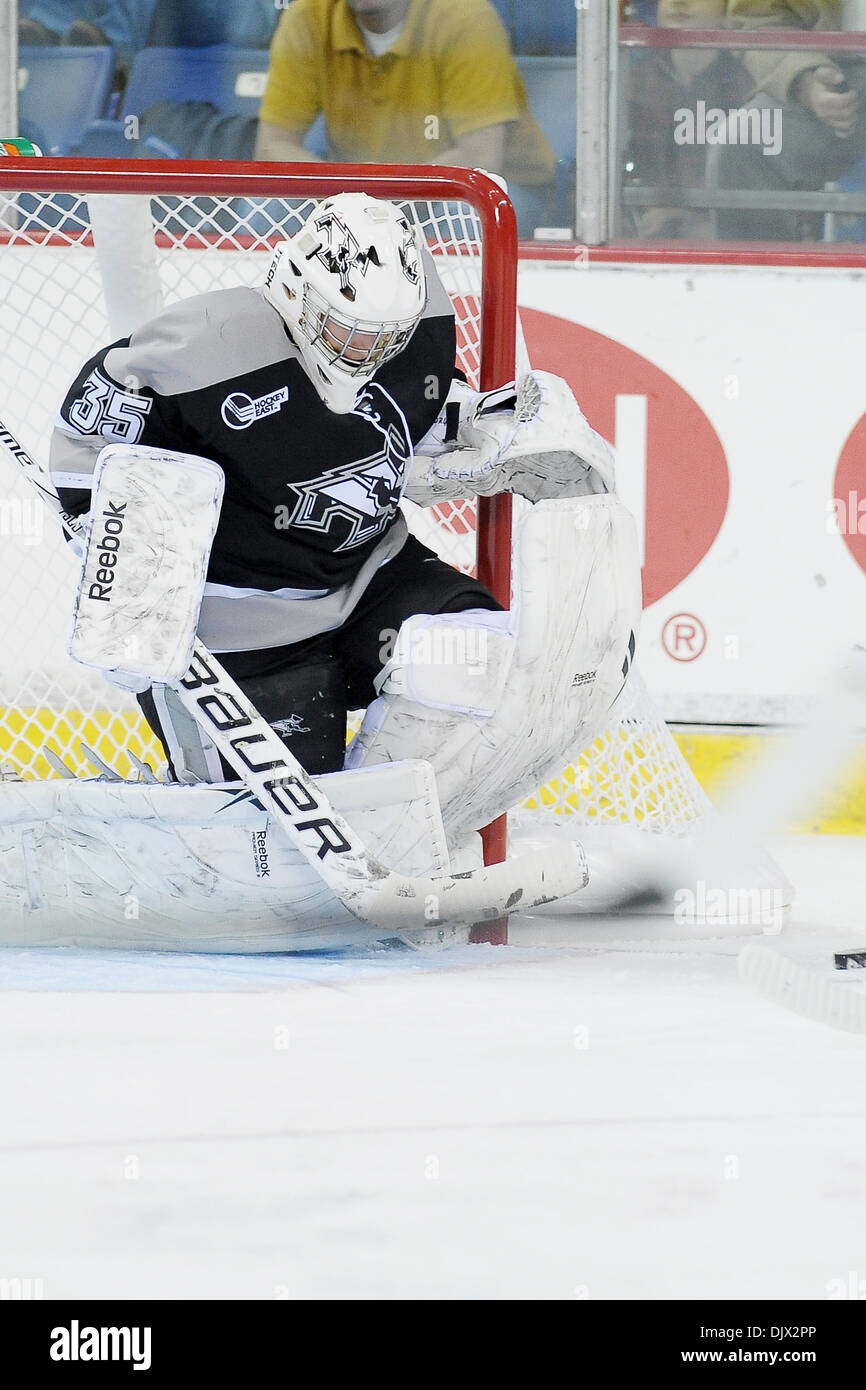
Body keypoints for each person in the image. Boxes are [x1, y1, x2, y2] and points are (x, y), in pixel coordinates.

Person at [48, 193, 621, 795]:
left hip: (373, 577)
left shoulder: (415, 326)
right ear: (298, 291)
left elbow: (412, 415)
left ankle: (385, 830)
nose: (369, 354)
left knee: (477, 662)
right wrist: (114, 551)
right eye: (349, 333)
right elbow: (87, 437)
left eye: (384, 339)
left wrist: (474, 430)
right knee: (268, 817)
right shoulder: (207, 347)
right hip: (242, 627)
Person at [254, 0, 555, 234]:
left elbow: (481, 159)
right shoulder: (308, 17)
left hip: (486, 191)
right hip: (356, 197)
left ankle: (458, 311)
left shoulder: (464, 17)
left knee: (465, 215)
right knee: (262, 205)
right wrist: (352, 191)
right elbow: (270, 148)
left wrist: (379, 191)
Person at [716, 0, 866, 239]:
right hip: (833, 67)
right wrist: (805, 83)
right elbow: (758, 19)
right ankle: (760, 273)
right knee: (744, 137)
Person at [624, 0, 751, 238]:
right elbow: (623, 161)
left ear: (727, 12)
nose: (678, 2)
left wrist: (686, 213)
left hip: (724, 231)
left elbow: (747, 180)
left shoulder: (743, 85)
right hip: (645, 226)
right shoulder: (637, 78)